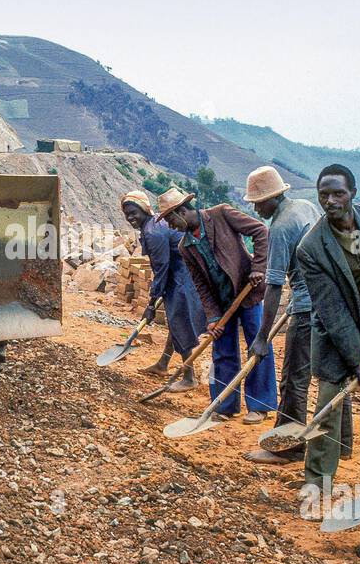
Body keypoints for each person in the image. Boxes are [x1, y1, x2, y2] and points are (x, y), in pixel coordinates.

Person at [294, 164, 360, 512]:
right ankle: (316, 482)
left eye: (337, 193)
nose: (330, 200)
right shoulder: (311, 247)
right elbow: (330, 306)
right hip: (336, 335)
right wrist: (355, 357)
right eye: (323, 194)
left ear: (352, 192)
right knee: (329, 405)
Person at [157, 186, 276, 423]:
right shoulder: (185, 246)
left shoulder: (221, 214)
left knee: (258, 345)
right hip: (221, 304)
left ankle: (259, 405)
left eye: (171, 219)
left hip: (247, 291)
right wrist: (212, 317)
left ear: (182, 211)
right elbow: (200, 284)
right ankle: (224, 405)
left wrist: (258, 269)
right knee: (222, 351)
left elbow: (261, 231)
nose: (171, 226)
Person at [241, 166, 321, 464]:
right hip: (325, 301)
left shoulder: (279, 228)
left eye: (258, 202)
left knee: (293, 380)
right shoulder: (304, 207)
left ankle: (288, 449)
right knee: (330, 376)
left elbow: (273, 286)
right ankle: (344, 445)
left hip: (306, 306)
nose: (256, 207)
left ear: (273, 197)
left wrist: (262, 338)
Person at [121, 190, 206, 391]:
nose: (131, 218)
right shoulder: (151, 227)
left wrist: (151, 304)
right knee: (175, 321)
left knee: (180, 323)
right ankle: (163, 364)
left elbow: (161, 269)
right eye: (127, 215)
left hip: (182, 278)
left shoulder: (153, 231)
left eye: (134, 212)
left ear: (144, 209)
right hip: (177, 275)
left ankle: (189, 377)